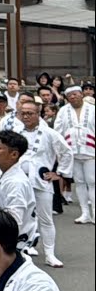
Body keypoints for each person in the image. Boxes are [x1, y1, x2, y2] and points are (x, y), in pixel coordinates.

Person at [12, 100, 72, 267]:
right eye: (23, 113)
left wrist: (59, 173)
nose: (26, 116)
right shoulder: (15, 133)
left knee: (45, 218)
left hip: (41, 180)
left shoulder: (49, 133)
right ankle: (19, 252)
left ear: (38, 114)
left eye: (30, 113)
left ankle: (50, 254)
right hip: (18, 181)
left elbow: (66, 152)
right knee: (18, 218)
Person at [53, 85, 95, 223]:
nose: (73, 96)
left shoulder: (92, 109)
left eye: (75, 94)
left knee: (92, 182)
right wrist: (59, 151)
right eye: (69, 95)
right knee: (79, 183)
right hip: (72, 151)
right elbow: (58, 131)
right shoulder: (63, 111)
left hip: (91, 150)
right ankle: (85, 213)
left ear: (81, 94)